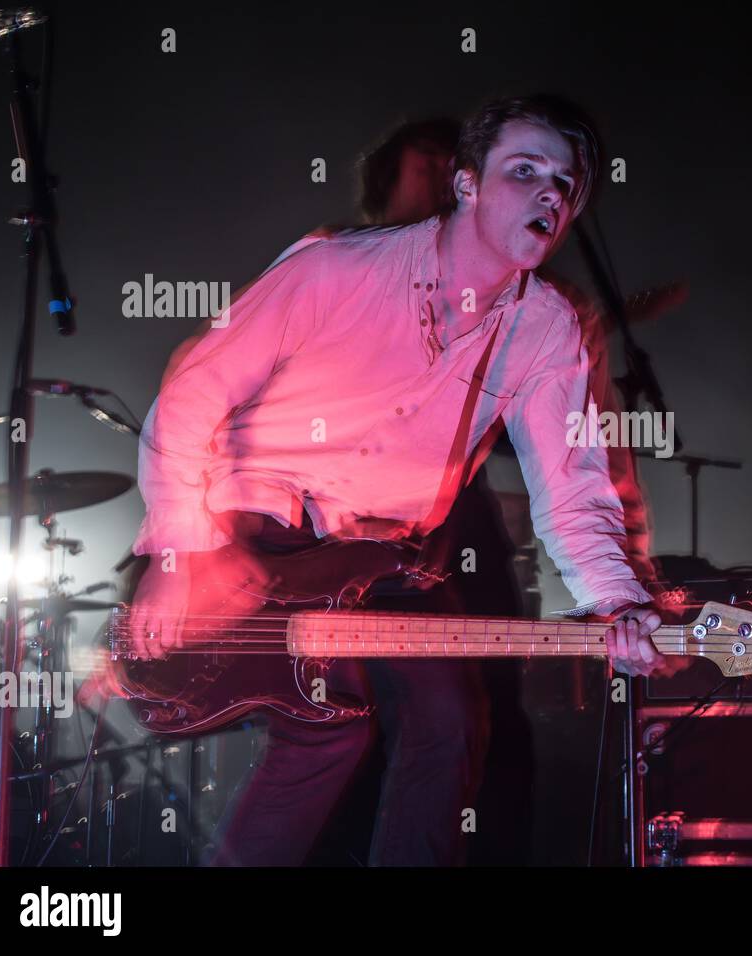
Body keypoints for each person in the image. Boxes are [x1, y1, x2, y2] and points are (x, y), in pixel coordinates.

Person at [129, 95, 667, 865]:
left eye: (565, 183)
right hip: (261, 531)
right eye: (525, 172)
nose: (551, 193)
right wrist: (182, 556)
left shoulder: (548, 331)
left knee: (451, 723)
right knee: (328, 723)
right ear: (467, 183)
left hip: (385, 554)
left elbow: (574, 491)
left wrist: (616, 601)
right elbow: (190, 395)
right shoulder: (333, 270)